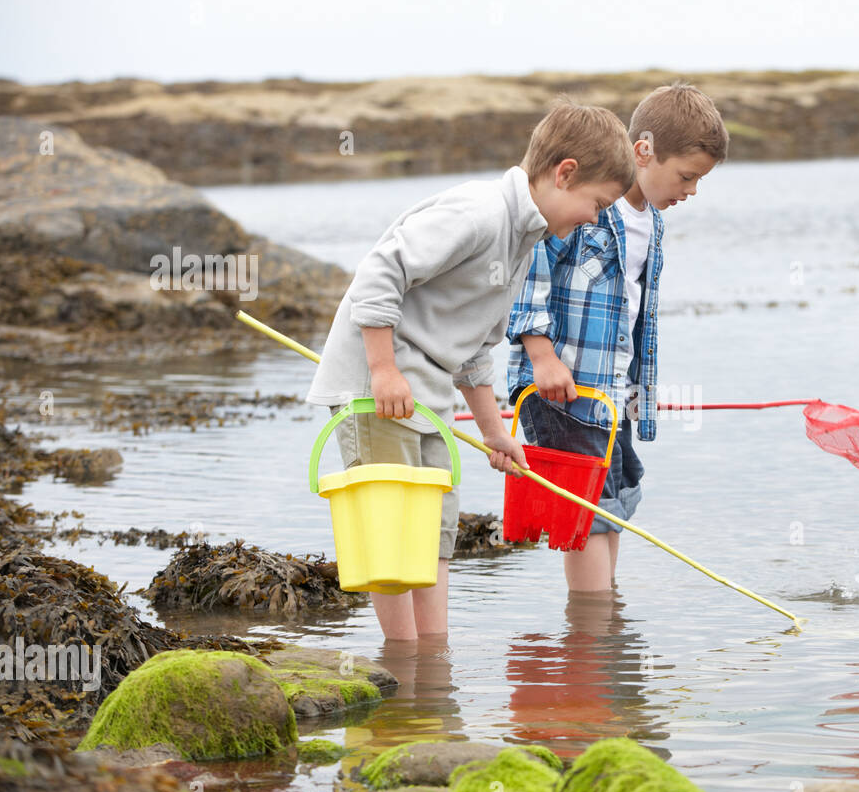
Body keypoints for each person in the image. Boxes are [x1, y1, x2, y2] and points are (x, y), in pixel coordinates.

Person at [306, 100, 635, 640]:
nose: (595, 218)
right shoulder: (480, 214)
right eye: (596, 203)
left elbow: (477, 351)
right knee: (393, 538)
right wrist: (384, 369)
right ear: (565, 173)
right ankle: (406, 655)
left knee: (435, 532)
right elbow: (379, 271)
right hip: (378, 389)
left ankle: (433, 660)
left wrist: (493, 432)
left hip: (431, 396)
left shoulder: (526, 242)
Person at [506, 82, 729, 593]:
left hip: (611, 397)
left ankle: (606, 626)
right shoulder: (585, 209)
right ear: (643, 151)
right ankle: (592, 625)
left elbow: (635, 313)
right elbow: (529, 272)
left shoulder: (652, 222)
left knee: (618, 496)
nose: (690, 191)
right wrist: (540, 355)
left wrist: (635, 390)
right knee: (588, 513)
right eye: (686, 176)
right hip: (563, 390)